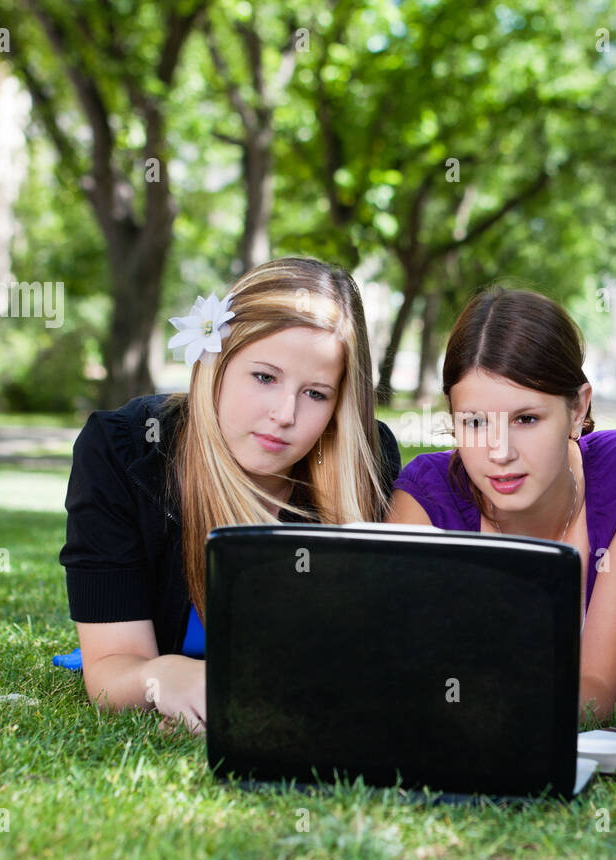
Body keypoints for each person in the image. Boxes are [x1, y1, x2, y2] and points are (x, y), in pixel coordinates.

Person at [58, 257, 400, 735]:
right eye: (265, 377)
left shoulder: (364, 459)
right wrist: (163, 676)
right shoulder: (123, 451)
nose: (285, 414)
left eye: (316, 394)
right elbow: (112, 669)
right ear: (215, 362)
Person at [386, 287, 616, 722]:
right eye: (476, 422)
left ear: (578, 408)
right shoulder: (426, 499)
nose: (500, 452)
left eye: (526, 419)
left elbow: (598, 694)